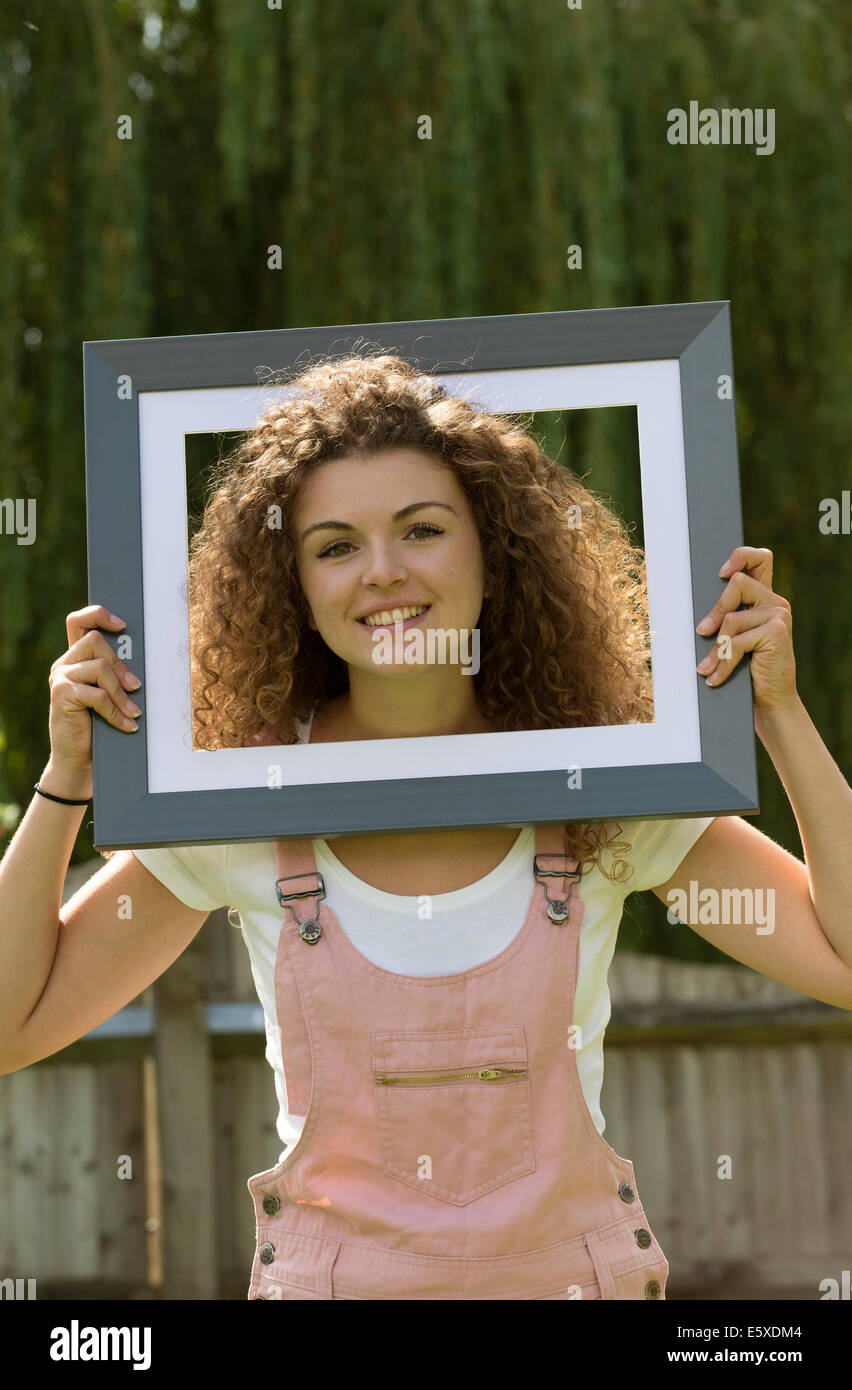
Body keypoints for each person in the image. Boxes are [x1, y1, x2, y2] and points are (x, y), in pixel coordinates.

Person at [1, 354, 850, 1301]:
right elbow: (10, 1026)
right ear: (294, 586)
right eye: (334, 546)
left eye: (423, 530)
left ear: (497, 551)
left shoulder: (601, 788)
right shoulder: (240, 802)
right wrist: (66, 781)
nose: (383, 574)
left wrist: (775, 713)